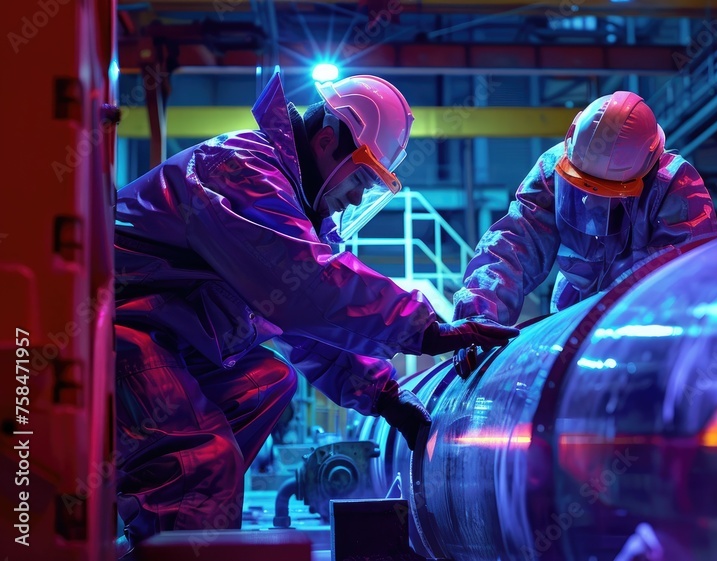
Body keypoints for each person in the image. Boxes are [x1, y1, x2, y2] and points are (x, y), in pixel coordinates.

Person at [112, 72, 518, 553]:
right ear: (327, 140)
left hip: (164, 335)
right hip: (119, 327)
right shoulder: (241, 170)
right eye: (363, 178)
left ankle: (172, 524)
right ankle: (177, 529)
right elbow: (310, 287)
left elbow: (306, 325)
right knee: (202, 459)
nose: (359, 196)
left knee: (267, 381)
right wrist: (426, 329)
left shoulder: (290, 205)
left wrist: (383, 395)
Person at [453, 91, 717, 325]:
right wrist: (480, 309)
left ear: (644, 172)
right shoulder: (556, 168)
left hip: (644, 317)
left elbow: (686, 279)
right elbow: (516, 242)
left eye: (607, 194)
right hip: (571, 307)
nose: (591, 202)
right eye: (581, 188)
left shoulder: (675, 186)